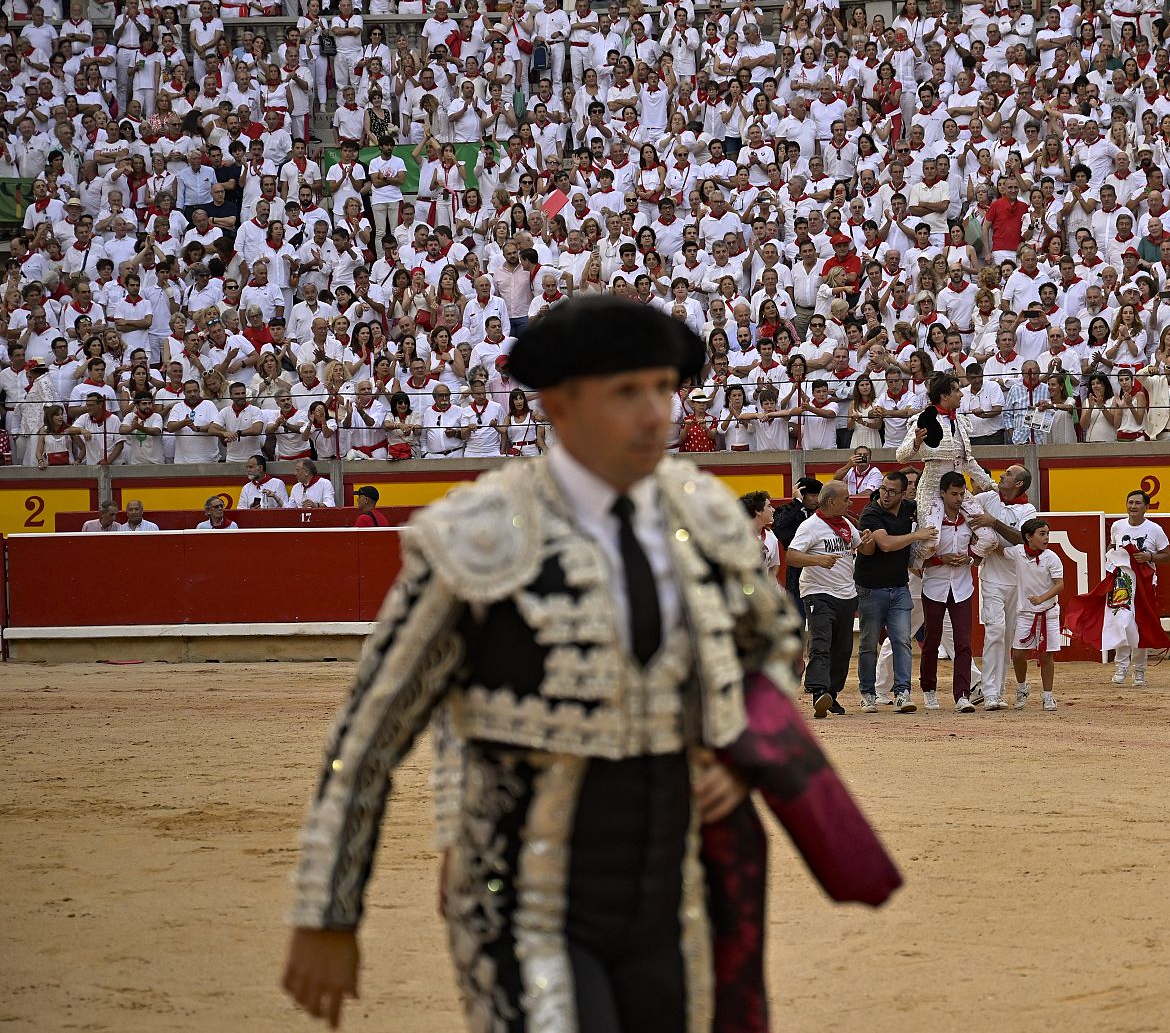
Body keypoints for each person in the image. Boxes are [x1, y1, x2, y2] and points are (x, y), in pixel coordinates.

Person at [281, 295, 895, 1033]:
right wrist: (327, 911)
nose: (656, 414)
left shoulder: (701, 515)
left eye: (664, 388)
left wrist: (736, 753)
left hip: (674, 894)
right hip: (524, 902)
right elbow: (369, 735)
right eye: (627, 391)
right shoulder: (477, 534)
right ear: (560, 404)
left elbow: (768, 643)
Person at [852, 471, 932, 713]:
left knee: (902, 641)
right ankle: (868, 693)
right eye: (883, 489)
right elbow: (885, 545)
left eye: (892, 492)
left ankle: (902, 693)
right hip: (870, 588)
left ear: (903, 493)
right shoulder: (871, 512)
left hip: (899, 586)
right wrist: (916, 535)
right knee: (868, 644)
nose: (885, 495)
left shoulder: (909, 508)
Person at [961, 461, 1037, 711]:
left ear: (1019, 484)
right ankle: (990, 692)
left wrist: (993, 523)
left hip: (1018, 580)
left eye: (1009, 474)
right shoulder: (986, 498)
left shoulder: (1028, 510)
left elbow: (1024, 540)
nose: (1002, 475)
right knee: (995, 631)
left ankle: (998, 689)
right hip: (992, 577)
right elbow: (962, 508)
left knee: (1007, 636)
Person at [789, 479, 860, 717]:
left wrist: (868, 541)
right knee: (821, 642)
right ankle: (819, 691)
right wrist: (818, 560)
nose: (850, 503)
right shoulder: (810, 526)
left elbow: (863, 547)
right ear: (831, 502)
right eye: (846, 499)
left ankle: (832, 693)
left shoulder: (846, 524)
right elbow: (792, 556)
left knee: (843, 648)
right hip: (818, 592)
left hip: (846, 593)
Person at [897, 371, 977, 566]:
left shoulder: (960, 422)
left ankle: (967, 560)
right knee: (930, 542)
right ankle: (909, 565)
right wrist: (916, 443)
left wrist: (991, 485)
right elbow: (901, 457)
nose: (961, 394)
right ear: (944, 396)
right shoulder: (922, 419)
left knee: (988, 536)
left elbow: (968, 461)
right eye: (957, 390)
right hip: (931, 488)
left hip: (958, 489)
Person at [921, 471, 981, 712]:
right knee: (932, 640)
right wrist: (941, 559)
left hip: (962, 587)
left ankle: (962, 695)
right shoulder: (929, 521)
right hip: (934, 586)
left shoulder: (970, 520)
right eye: (954, 494)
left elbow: (982, 551)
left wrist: (969, 559)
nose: (958, 499)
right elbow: (918, 560)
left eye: (962, 494)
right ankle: (929, 689)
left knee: (963, 642)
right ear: (943, 493)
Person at [1103, 489, 1170, 688]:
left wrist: (1149, 557)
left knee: (1140, 624)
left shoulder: (1155, 529)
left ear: (1146, 507)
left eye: (1137, 503)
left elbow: (1167, 556)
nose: (1133, 506)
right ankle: (1121, 666)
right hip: (1122, 581)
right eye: (1130, 502)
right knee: (1122, 622)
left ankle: (1139, 669)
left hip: (1145, 582)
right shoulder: (1117, 526)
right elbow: (1111, 548)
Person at [1010, 517, 1065, 713]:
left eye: (1047, 534)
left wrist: (1041, 599)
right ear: (1028, 537)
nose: (1046, 538)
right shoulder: (1018, 552)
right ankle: (1022, 688)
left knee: (1046, 654)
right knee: (1018, 653)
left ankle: (1047, 695)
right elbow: (999, 550)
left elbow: (1060, 585)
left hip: (1048, 612)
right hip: (1026, 613)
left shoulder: (1052, 557)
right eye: (1042, 534)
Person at [772, 477, 822, 602]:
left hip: (819, 567)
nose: (817, 500)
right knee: (797, 604)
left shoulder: (822, 513)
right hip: (797, 567)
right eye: (813, 495)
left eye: (819, 495)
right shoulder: (786, 510)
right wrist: (797, 502)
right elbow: (779, 525)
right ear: (802, 494)